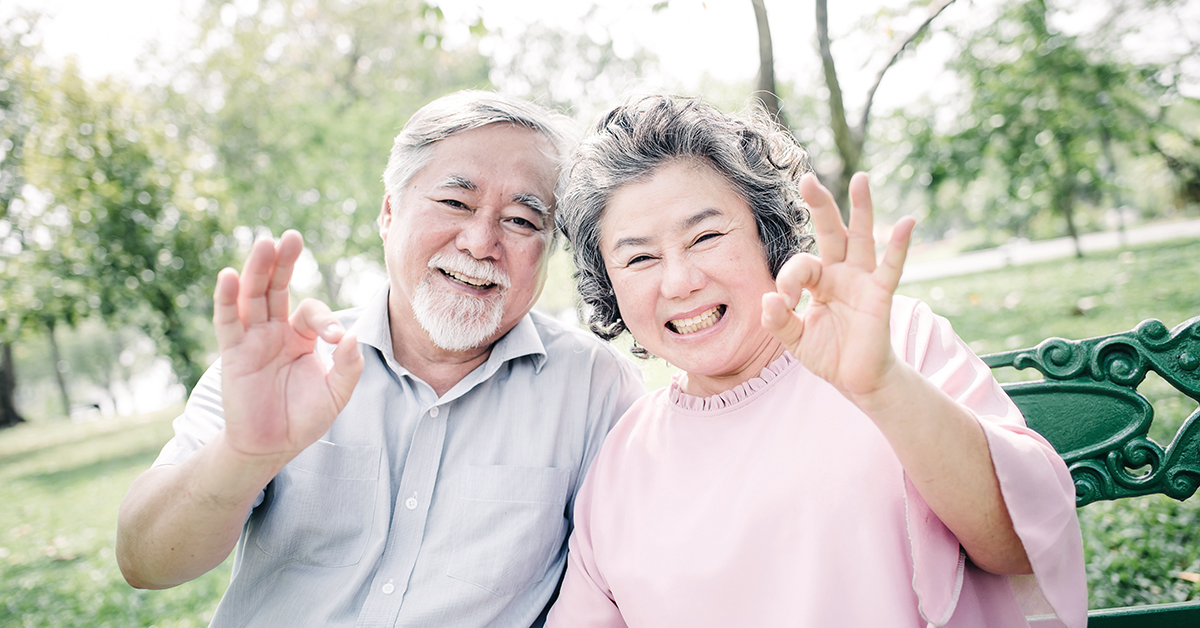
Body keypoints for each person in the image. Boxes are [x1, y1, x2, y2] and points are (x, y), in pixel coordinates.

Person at [545, 95, 1087, 627]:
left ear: (768, 235)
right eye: (640, 258)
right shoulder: (619, 463)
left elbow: (1020, 545)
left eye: (705, 236)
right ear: (609, 286)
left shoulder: (895, 344)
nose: (680, 281)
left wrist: (885, 388)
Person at [116, 91, 645, 628]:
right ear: (389, 212)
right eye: (455, 203)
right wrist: (243, 454)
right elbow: (144, 562)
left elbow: (638, 584)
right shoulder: (284, 366)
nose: (480, 242)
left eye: (521, 221)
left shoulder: (596, 387)